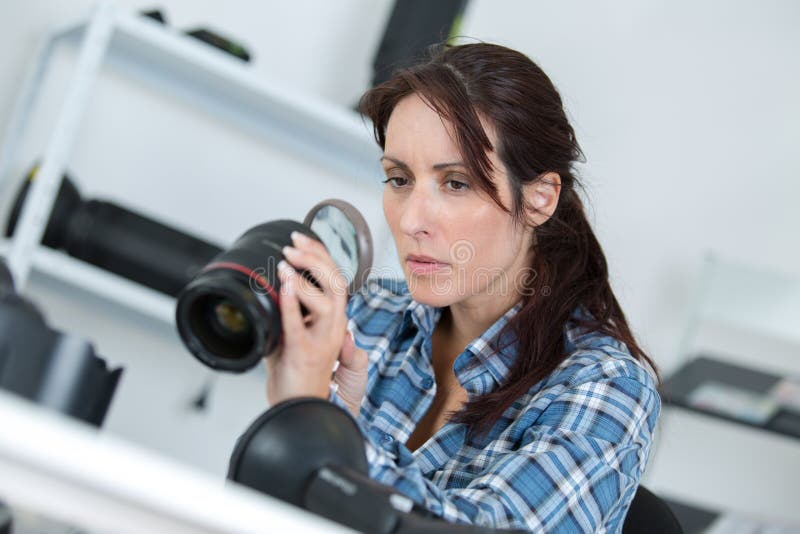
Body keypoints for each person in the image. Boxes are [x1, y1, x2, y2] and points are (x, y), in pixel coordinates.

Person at [265, 42, 661, 532]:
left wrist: (325, 429)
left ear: (539, 199)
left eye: (456, 183)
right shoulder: (370, 314)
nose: (410, 221)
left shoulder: (604, 385)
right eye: (399, 179)